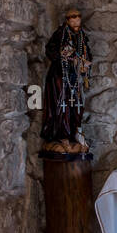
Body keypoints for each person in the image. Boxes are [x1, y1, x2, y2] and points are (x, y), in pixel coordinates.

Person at [42, 8, 92, 153]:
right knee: (60, 105)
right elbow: (50, 51)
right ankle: (60, 135)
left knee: (76, 105)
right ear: (67, 20)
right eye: (73, 17)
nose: (76, 20)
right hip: (60, 76)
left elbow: (87, 54)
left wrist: (85, 64)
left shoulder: (82, 36)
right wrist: (65, 56)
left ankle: (74, 133)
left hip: (74, 77)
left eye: (78, 17)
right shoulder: (60, 34)